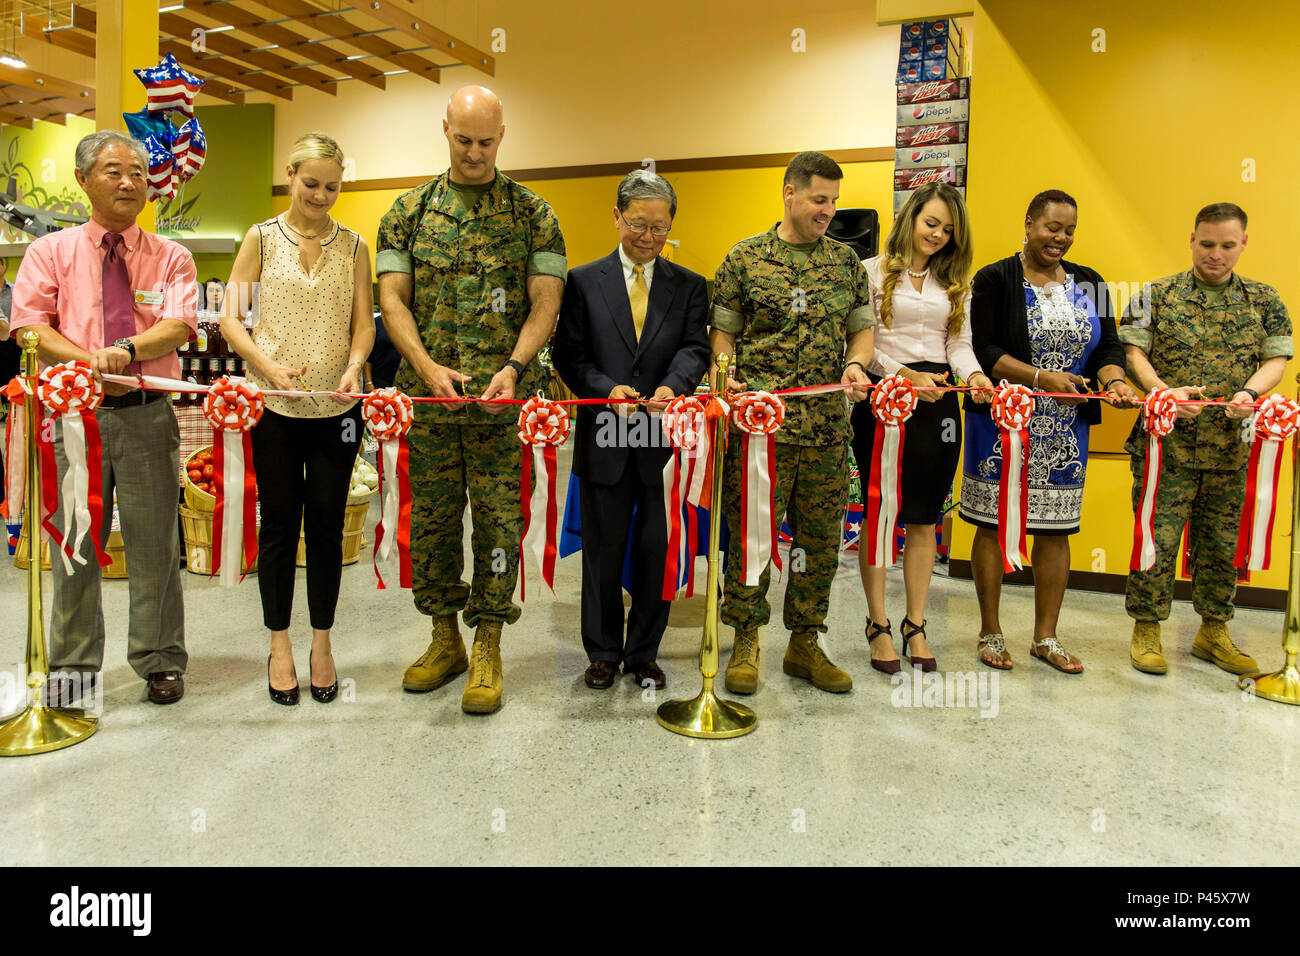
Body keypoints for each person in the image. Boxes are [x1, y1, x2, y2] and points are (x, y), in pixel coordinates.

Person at [377, 86, 566, 715]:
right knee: (429, 523)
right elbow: (393, 300)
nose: (475, 152)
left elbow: (546, 302)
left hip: (501, 402)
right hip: (430, 402)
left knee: (497, 525)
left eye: (486, 141)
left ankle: (488, 642)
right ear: (445, 130)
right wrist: (425, 366)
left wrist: (515, 366)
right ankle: (443, 638)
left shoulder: (534, 214)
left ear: (502, 136)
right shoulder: (407, 211)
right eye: (464, 140)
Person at [10, 129, 197, 705]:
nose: (129, 182)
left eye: (139, 172)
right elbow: (30, 325)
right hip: (73, 420)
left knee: (156, 546)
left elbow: (180, 324)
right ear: (84, 178)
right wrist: (87, 358)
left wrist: (128, 350)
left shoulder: (172, 256)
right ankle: (71, 665)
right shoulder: (50, 253)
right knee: (75, 542)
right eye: (115, 170)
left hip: (146, 414)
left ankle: (161, 659)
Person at [710, 151, 875, 695]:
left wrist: (855, 363)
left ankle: (805, 643)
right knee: (752, 537)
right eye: (818, 199)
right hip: (761, 433)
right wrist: (725, 377)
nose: (828, 210)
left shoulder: (846, 264)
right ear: (789, 192)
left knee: (820, 541)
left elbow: (861, 332)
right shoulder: (744, 259)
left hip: (827, 430)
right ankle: (746, 640)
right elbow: (723, 338)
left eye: (834, 200)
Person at [220, 132, 375, 706]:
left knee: (329, 527)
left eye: (332, 187)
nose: (321, 196)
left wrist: (356, 366)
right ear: (290, 175)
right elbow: (231, 319)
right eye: (311, 184)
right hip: (274, 407)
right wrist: (266, 365)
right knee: (280, 525)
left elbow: (365, 322)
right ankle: (280, 644)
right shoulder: (260, 237)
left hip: (337, 410)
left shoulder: (355, 244)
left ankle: (324, 643)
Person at [960, 189, 1139, 674]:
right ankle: (990, 633)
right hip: (1002, 423)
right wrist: (1040, 379)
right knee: (993, 525)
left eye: (1068, 231)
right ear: (1029, 223)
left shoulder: (1091, 281)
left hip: (1066, 428)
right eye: (1051, 227)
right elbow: (984, 348)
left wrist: (1115, 380)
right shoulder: (994, 278)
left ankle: (1046, 638)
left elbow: (1109, 347)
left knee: (1057, 531)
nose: (1059, 238)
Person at [552, 171, 710, 690]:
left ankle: (644, 650)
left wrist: (673, 386)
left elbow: (696, 348)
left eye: (660, 228)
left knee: (656, 546)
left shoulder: (689, 286)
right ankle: (601, 651)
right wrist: (606, 389)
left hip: (664, 434)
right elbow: (569, 355)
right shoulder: (582, 281)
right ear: (617, 217)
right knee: (602, 547)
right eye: (638, 224)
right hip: (607, 430)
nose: (648, 236)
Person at [1120, 203, 1291, 676]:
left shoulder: (1263, 299)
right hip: (1166, 445)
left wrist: (1250, 393)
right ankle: (1147, 628)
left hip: (1231, 448)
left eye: (1227, 245)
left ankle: (1213, 631)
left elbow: (1276, 358)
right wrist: (1162, 393)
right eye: (1208, 243)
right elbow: (1133, 352)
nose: (1216, 254)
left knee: (1222, 542)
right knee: (1157, 538)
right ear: (1192, 239)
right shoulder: (1155, 296)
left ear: (1243, 244)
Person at [850, 183, 993, 675]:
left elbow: (959, 343)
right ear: (910, 217)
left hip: (938, 403)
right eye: (931, 223)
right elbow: (863, 342)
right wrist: (902, 377)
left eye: (949, 230)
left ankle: (915, 623)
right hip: (883, 398)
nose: (938, 235)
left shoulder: (956, 280)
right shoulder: (868, 272)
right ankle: (878, 624)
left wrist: (973, 375)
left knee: (924, 518)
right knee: (880, 512)